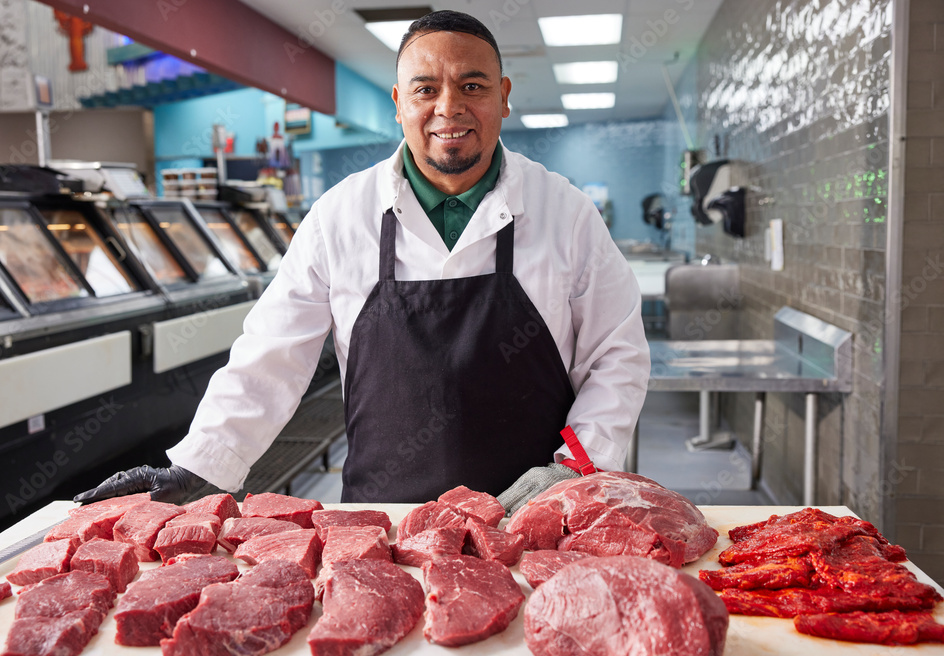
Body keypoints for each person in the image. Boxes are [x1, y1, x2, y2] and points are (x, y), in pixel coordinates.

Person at [74, 10, 650, 514]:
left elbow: (616, 353)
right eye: (425, 89)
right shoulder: (340, 215)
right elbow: (271, 355)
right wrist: (202, 468)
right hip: (384, 525)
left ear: (502, 95)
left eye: (471, 85)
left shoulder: (565, 212)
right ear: (399, 104)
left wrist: (575, 471)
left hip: (532, 516)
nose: (449, 107)